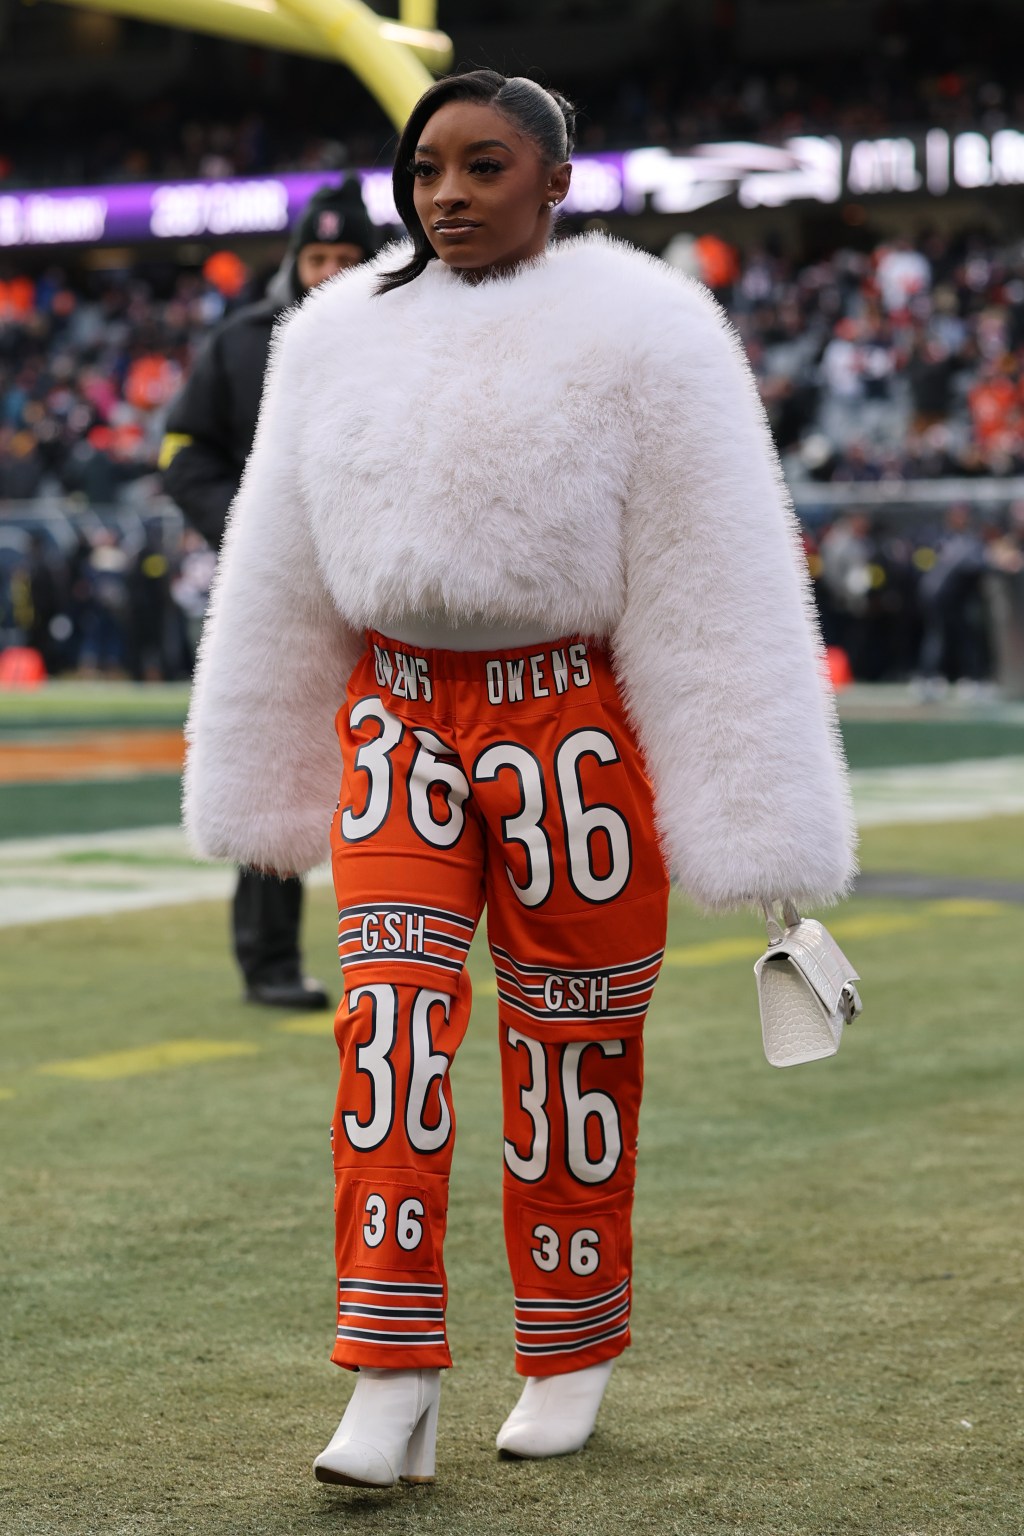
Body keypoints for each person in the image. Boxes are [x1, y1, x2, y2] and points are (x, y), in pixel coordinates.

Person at [184, 70, 855, 1486]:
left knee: (573, 1055)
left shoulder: (655, 331)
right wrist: (258, 767)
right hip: (397, 722)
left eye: (484, 167)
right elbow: (281, 571)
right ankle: (391, 1369)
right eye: (427, 168)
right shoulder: (331, 336)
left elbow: (713, 581)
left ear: (558, 177)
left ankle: (568, 1345)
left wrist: (766, 826)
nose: (447, 194)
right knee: (388, 1039)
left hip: (577, 730)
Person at [163, 179, 377, 1010]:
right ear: (296, 260)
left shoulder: (412, 336)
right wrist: (252, 536)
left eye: (345, 258)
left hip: (385, 587)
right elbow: (183, 453)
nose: (329, 271)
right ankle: (270, 962)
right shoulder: (243, 341)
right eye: (317, 256)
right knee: (278, 767)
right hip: (282, 593)